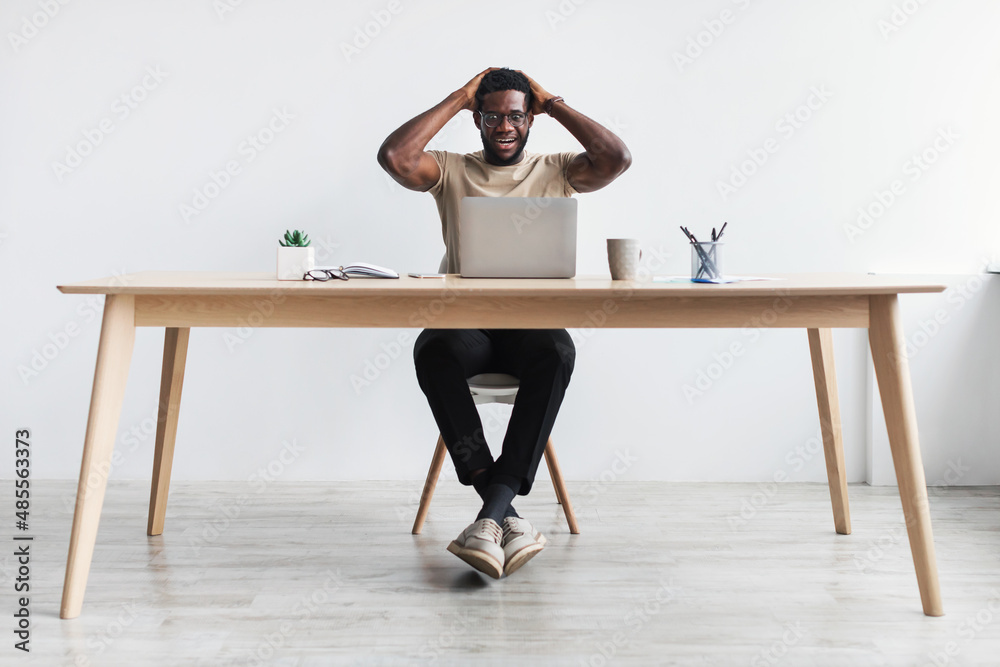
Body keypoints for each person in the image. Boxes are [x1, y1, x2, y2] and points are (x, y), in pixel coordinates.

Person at [377, 67, 631, 579]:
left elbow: (616, 159)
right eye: (493, 116)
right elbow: (395, 157)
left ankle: (490, 515)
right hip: (465, 328)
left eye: (516, 115)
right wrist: (460, 96)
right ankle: (503, 511)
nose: (505, 126)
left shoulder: (559, 169)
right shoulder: (450, 169)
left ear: (530, 118)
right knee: (432, 351)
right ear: (478, 120)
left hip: (532, 329)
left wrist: (551, 101)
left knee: (558, 353)